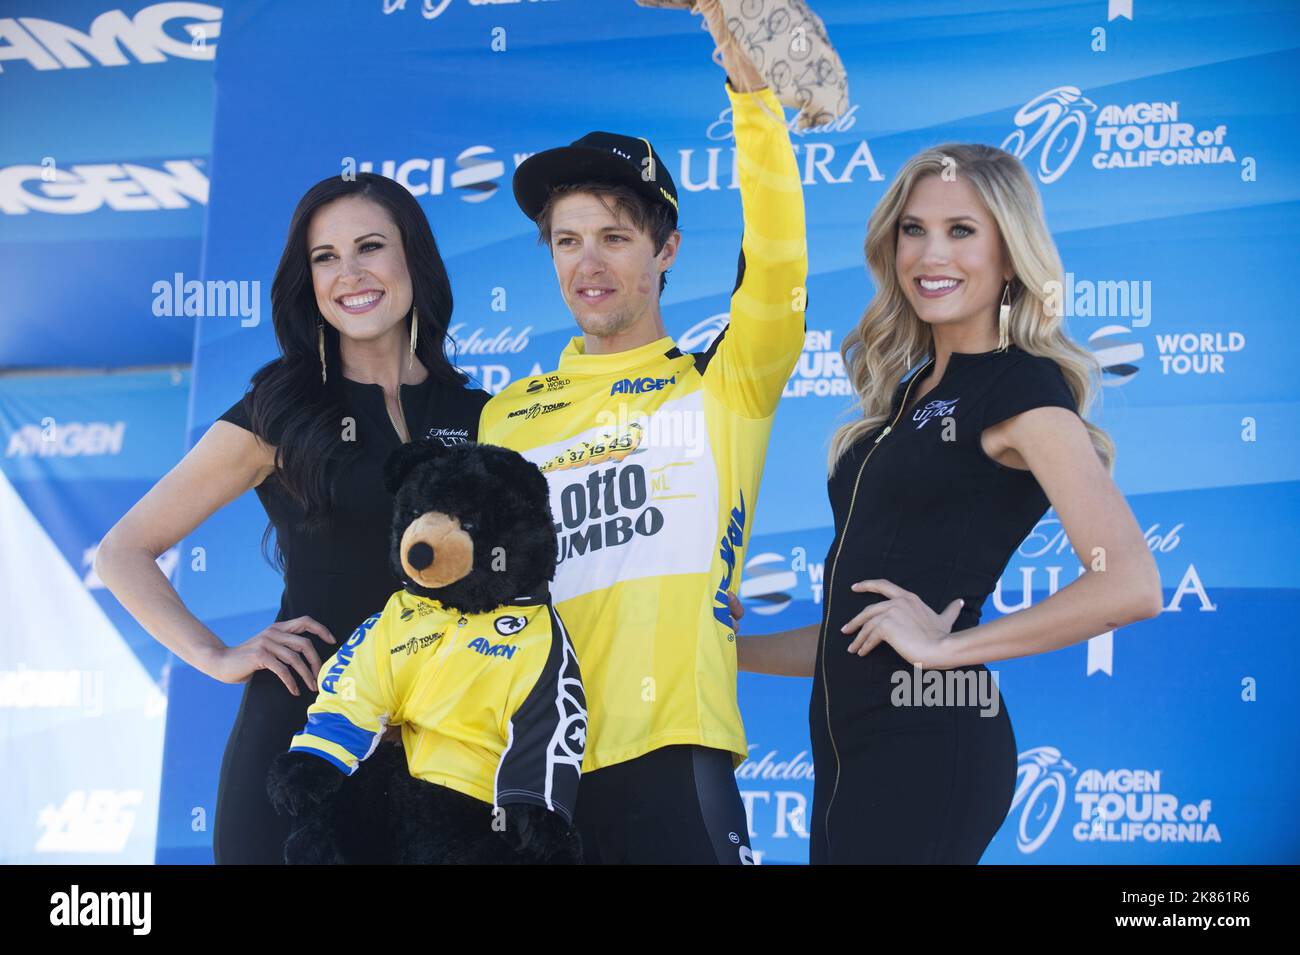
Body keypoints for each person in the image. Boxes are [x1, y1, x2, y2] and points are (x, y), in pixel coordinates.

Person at [737, 143, 1163, 864]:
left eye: (962, 230)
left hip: (931, 747)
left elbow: (1129, 582)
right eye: (913, 229)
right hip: (852, 755)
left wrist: (947, 648)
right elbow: (860, 634)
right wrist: (722, 653)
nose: (931, 253)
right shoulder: (909, 394)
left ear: (1008, 251)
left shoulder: (1020, 388)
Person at [477, 2, 807, 864]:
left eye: (615, 237)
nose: (587, 264)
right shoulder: (504, 417)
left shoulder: (722, 382)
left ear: (665, 250)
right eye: (567, 240)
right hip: (529, 779)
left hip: (671, 755)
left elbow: (775, 267)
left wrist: (751, 94)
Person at [95, 172, 490, 864]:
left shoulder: (481, 415)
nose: (350, 274)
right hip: (296, 751)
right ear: (306, 280)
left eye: (370, 246)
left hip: (443, 760)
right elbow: (122, 551)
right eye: (325, 257)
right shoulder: (280, 411)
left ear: (413, 260)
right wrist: (217, 656)